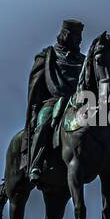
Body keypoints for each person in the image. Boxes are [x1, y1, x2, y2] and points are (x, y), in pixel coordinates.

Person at [24, 20, 85, 183]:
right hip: (52, 101)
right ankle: (35, 164)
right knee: (43, 125)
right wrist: (35, 109)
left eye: (80, 37)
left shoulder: (84, 60)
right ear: (66, 36)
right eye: (76, 37)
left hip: (78, 103)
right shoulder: (48, 55)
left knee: (106, 124)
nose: (79, 41)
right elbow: (36, 86)